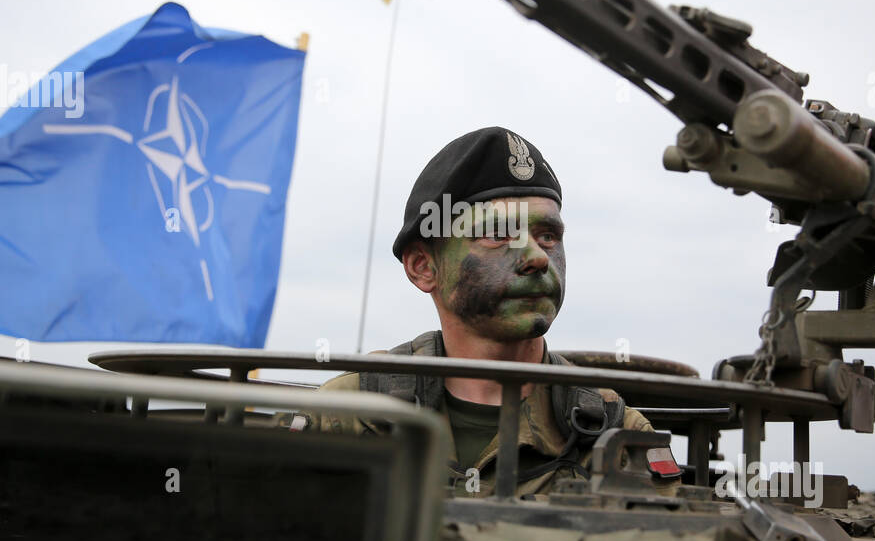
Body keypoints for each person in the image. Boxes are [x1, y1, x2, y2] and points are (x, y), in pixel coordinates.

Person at [288, 126, 680, 497]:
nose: (537, 258)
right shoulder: (349, 415)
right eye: (498, 235)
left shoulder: (613, 434)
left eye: (548, 235)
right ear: (424, 267)